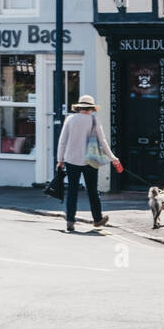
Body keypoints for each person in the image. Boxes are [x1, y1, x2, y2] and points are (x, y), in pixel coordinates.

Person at [56, 94, 121, 232]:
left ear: (79, 107)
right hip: (89, 161)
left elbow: (62, 141)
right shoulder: (93, 120)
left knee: (72, 190)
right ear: (91, 108)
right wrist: (113, 157)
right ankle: (97, 219)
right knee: (92, 190)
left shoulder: (70, 119)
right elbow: (102, 142)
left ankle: (70, 221)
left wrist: (60, 160)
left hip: (71, 160)